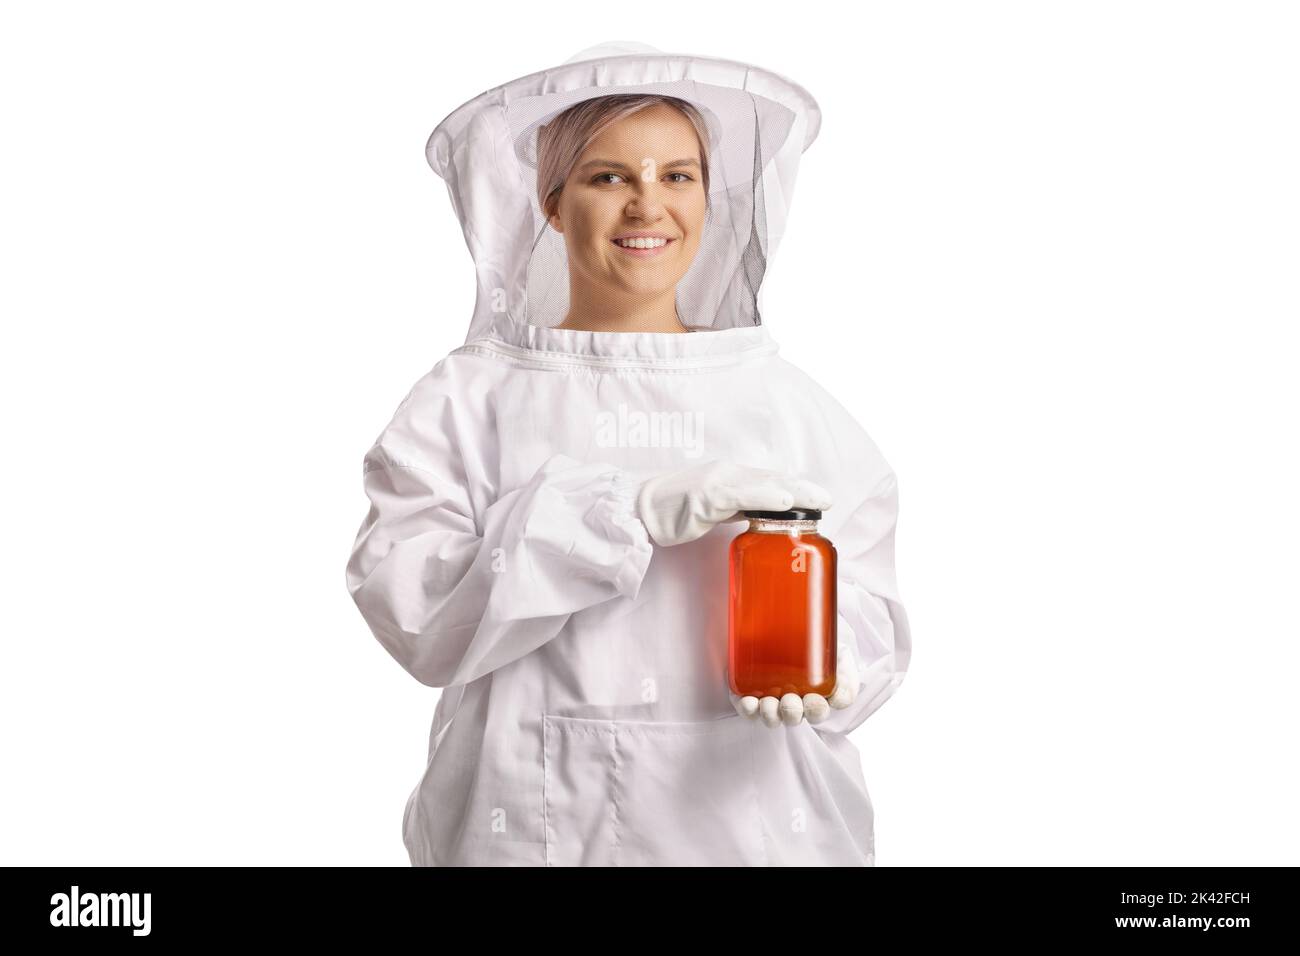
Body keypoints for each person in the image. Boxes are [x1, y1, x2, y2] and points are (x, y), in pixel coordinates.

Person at [345, 41, 912, 866]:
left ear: (711, 199)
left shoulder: (791, 408)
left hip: (755, 834)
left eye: (677, 176)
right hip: (523, 830)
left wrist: (829, 664)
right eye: (609, 177)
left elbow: (875, 621)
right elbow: (417, 619)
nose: (648, 206)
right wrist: (621, 513)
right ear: (550, 200)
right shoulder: (465, 402)